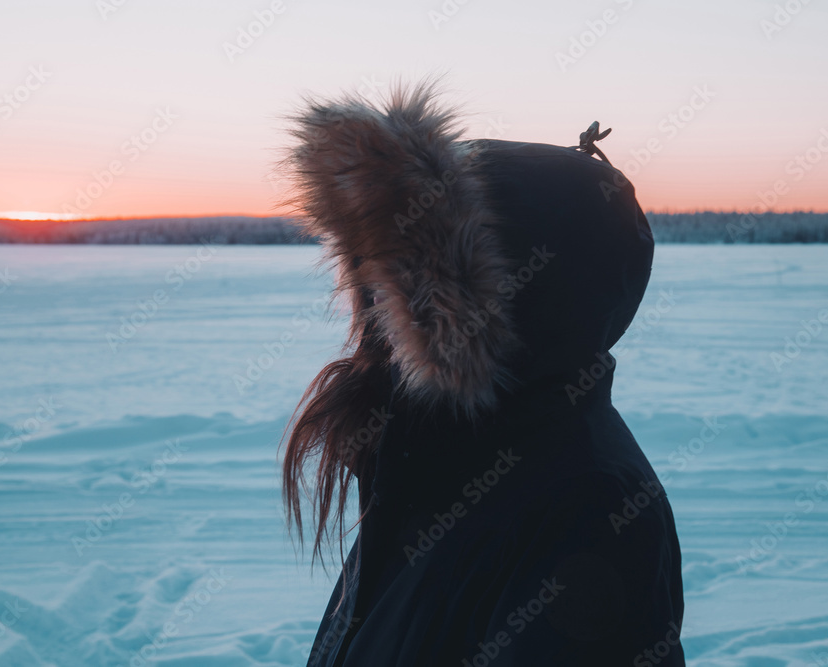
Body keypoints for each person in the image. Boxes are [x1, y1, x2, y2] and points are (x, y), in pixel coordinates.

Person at [280, 79, 685, 666]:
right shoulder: (434, 460)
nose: (379, 304)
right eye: (377, 271)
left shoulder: (591, 509)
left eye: (408, 274)